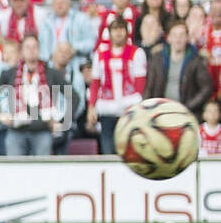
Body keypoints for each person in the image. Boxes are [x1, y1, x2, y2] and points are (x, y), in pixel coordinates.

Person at [0, 34, 67, 156]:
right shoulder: (11, 73)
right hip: (16, 131)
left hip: (42, 132)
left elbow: (73, 97)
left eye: (34, 47)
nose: (31, 50)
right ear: (22, 51)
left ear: (39, 50)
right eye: (27, 47)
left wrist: (60, 119)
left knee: (41, 167)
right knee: (14, 167)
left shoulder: (51, 73)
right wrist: (1, 114)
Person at [88, 17, 145, 153]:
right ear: (109, 32)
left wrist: (138, 107)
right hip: (107, 110)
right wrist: (91, 106)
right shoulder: (100, 54)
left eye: (121, 29)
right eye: (115, 29)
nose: (118, 33)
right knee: (108, 150)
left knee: (129, 151)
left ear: (126, 32)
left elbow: (140, 84)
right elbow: (95, 83)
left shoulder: (136, 53)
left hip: (129, 110)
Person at [145, 20, 214, 118]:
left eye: (182, 35)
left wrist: (188, 107)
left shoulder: (196, 60)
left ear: (187, 38)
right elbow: (149, 86)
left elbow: (207, 88)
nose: (178, 39)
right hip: (161, 111)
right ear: (169, 38)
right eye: (174, 35)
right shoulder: (157, 59)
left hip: (187, 113)